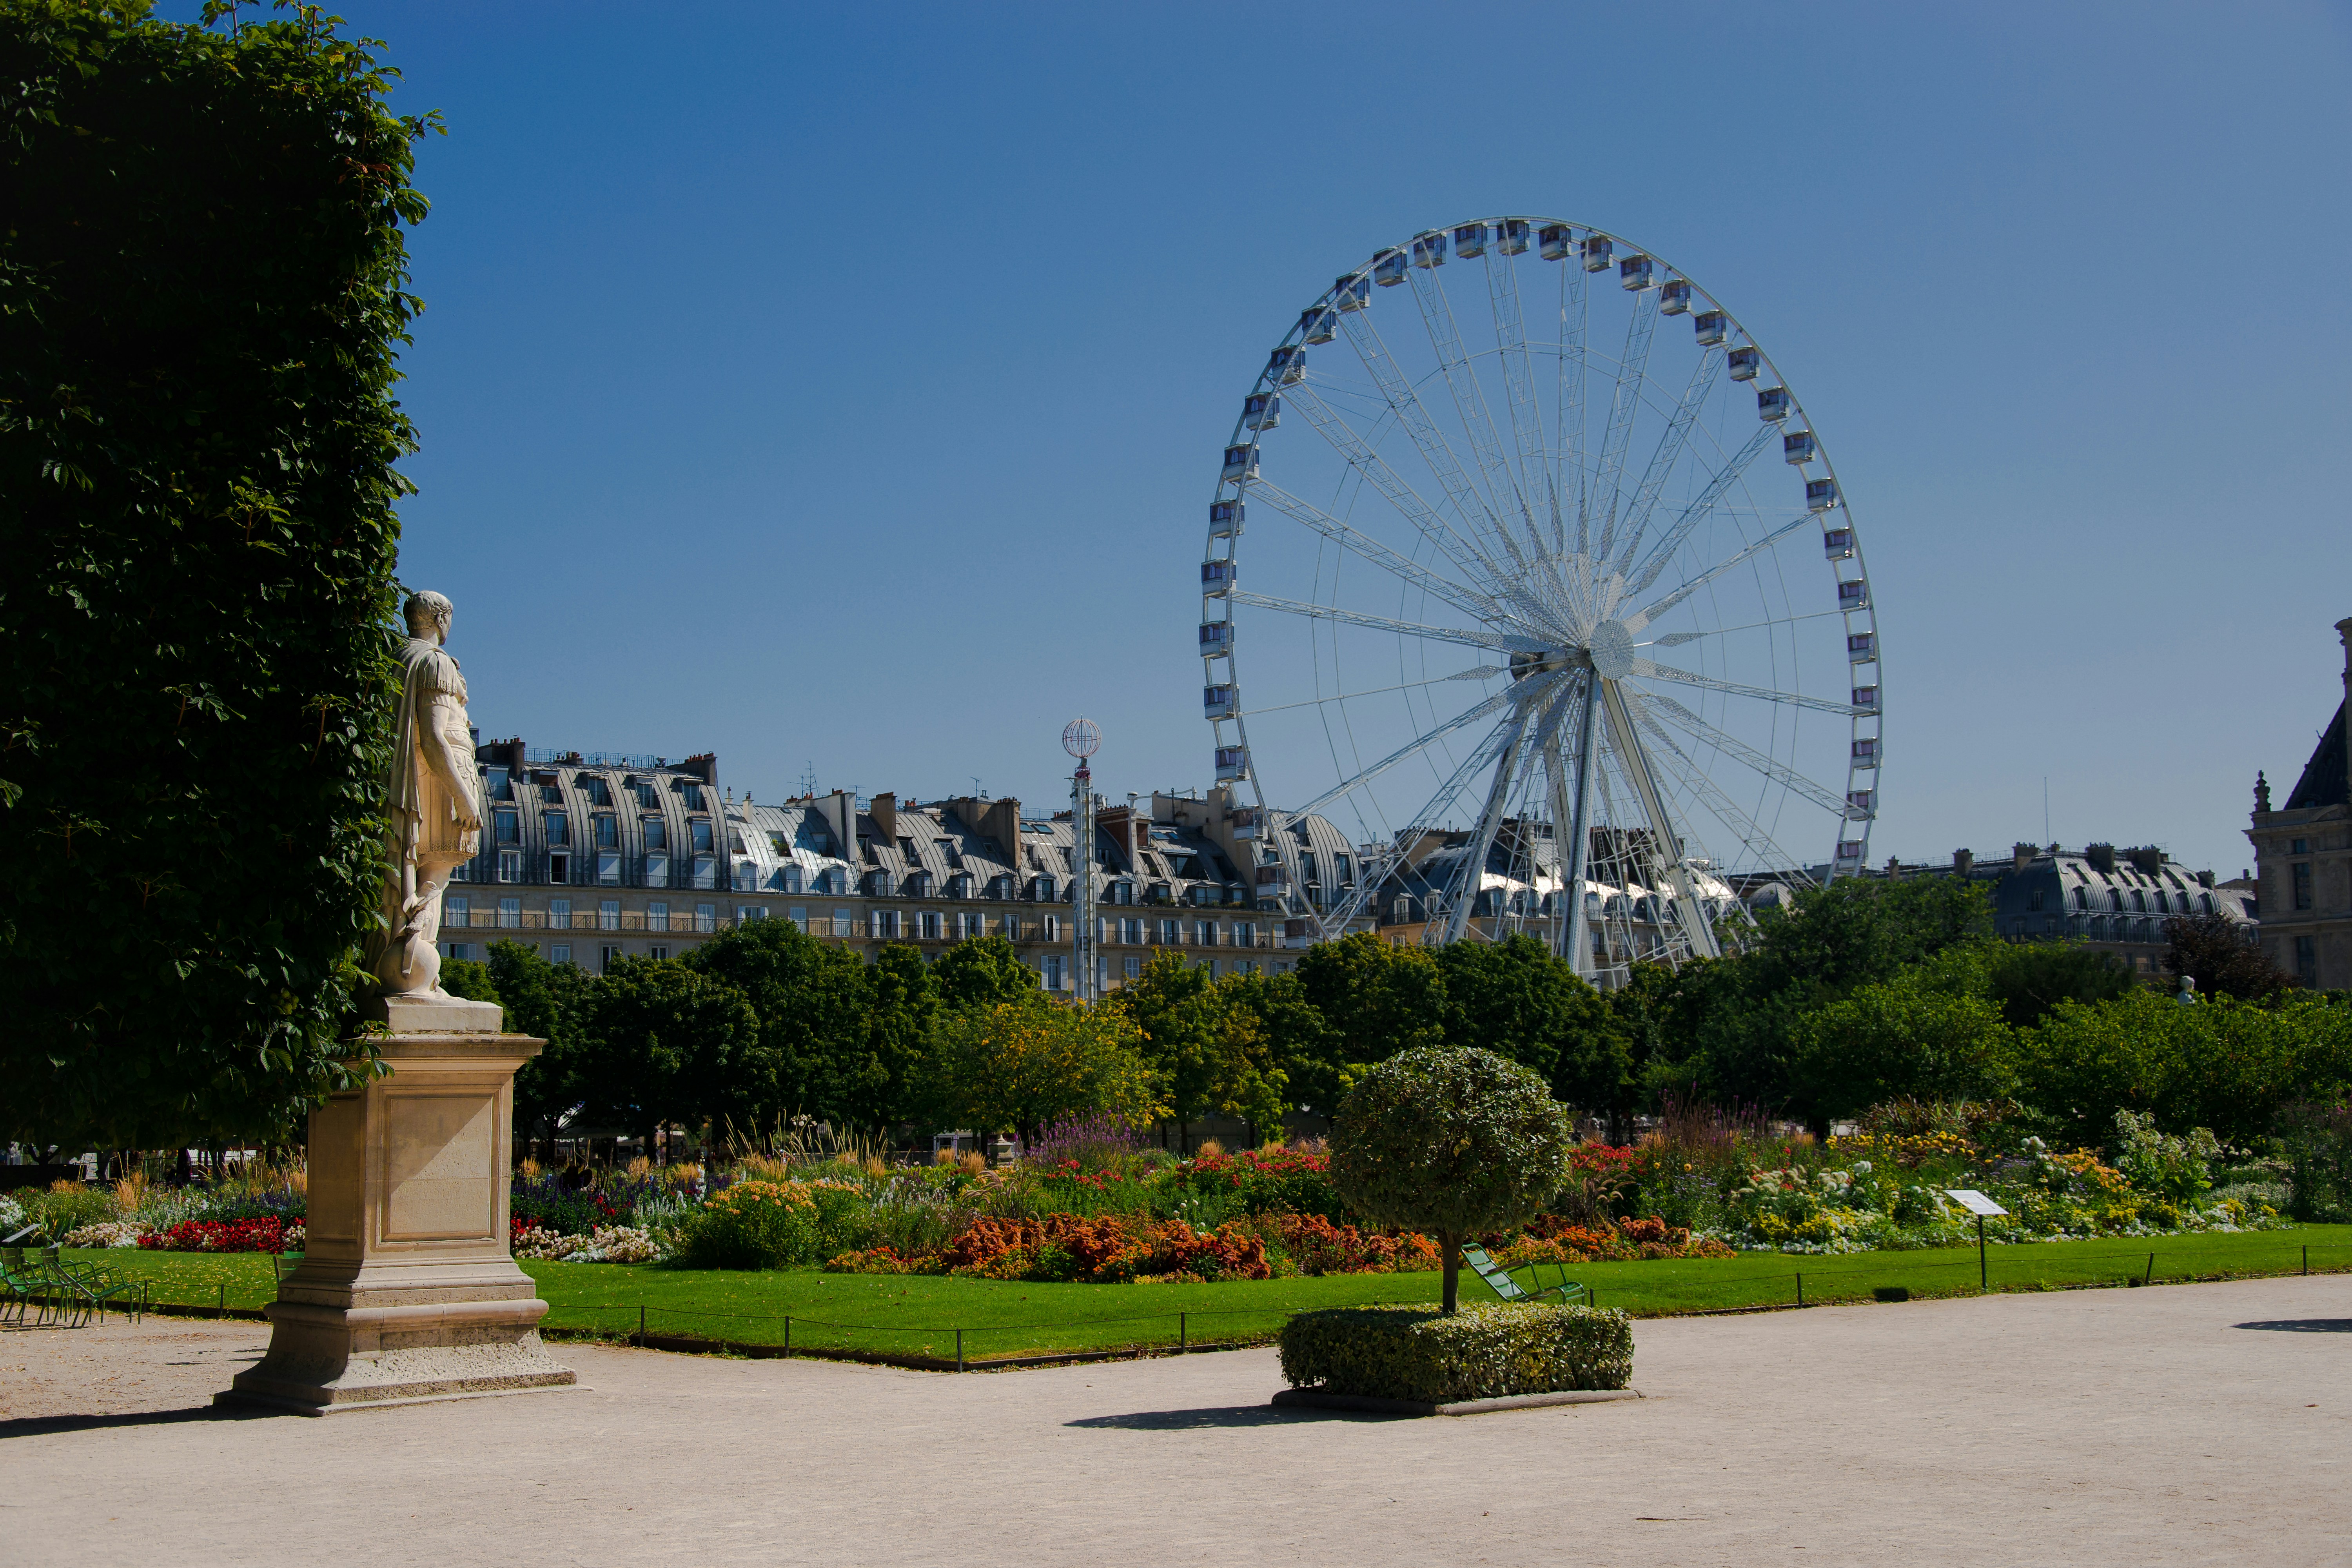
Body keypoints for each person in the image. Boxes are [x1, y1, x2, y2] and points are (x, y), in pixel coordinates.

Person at [365, 591, 484, 998]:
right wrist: (464, 794)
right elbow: (434, 737)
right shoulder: (434, 662)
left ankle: (416, 969)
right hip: (436, 782)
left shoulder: (395, 659)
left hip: (411, 779)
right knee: (436, 872)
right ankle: (414, 968)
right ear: (440, 619)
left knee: (423, 875)